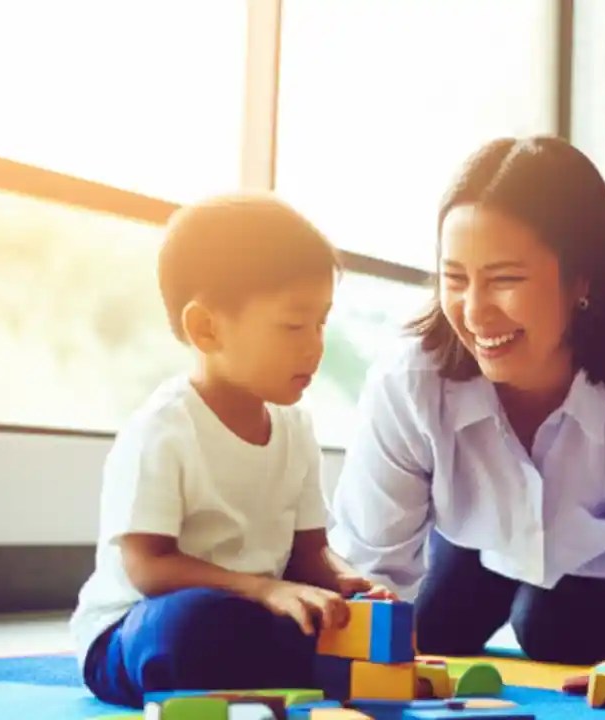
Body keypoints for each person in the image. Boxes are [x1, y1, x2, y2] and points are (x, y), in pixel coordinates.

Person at [328, 136, 605, 665]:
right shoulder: (409, 377)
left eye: (505, 280)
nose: (474, 313)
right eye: (455, 278)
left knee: (550, 626)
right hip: (476, 542)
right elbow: (368, 565)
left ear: (581, 279)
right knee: (424, 628)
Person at [70, 194, 390, 708]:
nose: (315, 346)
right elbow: (148, 568)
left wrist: (350, 584)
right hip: (136, 626)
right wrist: (262, 590)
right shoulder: (165, 428)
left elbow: (311, 554)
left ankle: (267, 674)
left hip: (253, 611)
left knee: (336, 628)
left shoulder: (296, 428)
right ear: (207, 328)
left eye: (321, 323)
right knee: (190, 625)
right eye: (293, 325)